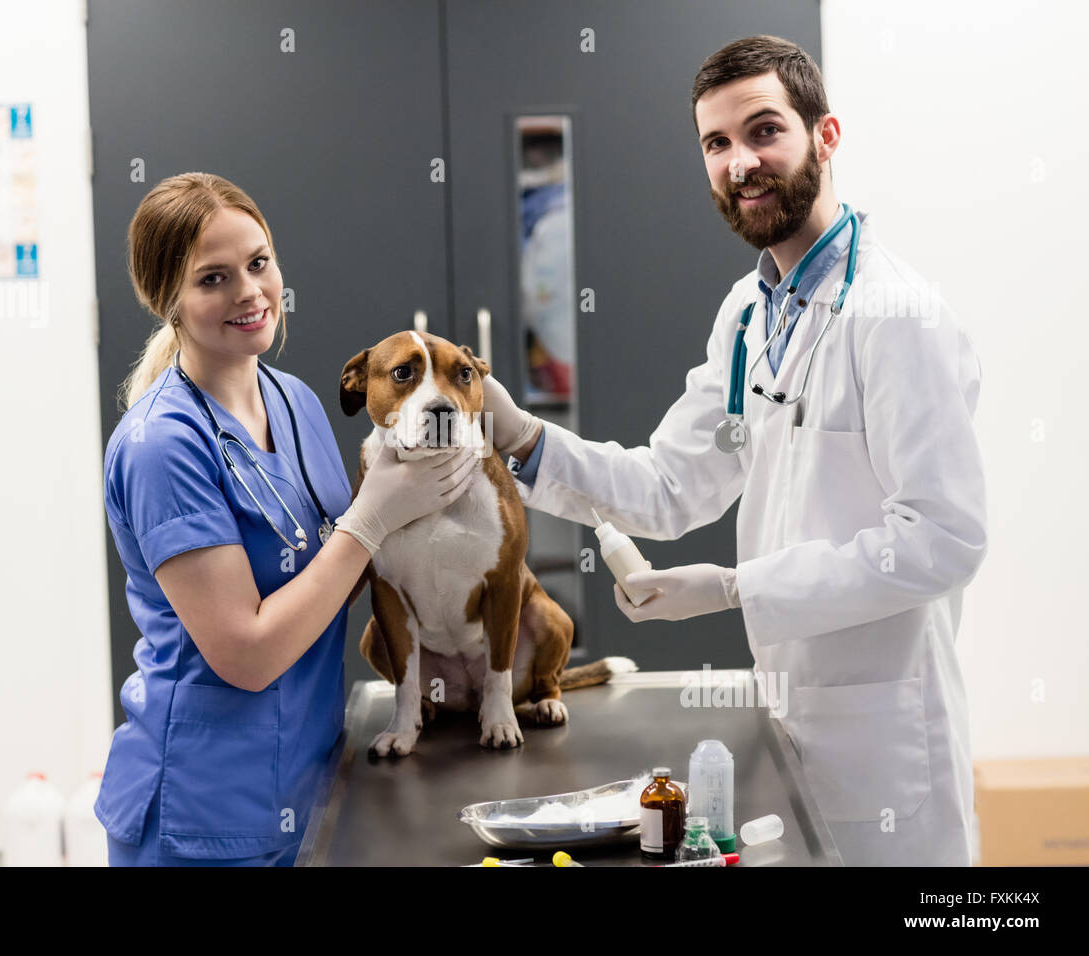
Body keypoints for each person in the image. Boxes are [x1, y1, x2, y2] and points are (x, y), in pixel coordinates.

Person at [479, 36, 987, 866]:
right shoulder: (750, 314)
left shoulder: (897, 317)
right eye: (716, 144)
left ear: (825, 136)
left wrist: (731, 588)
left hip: (886, 741)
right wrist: (526, 440)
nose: (740, 163)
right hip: (788, 715)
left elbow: (943, 541)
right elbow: (672, 483)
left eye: (763, 132)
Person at [98, 172, 479, 865]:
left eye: (258, 262)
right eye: (212, 279)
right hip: (202, 811)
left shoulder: (295, 401)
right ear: (169, 301)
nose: (249, 291)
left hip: (307, 783)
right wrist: (372, 520)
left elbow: (331, 578)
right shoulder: (163, 447)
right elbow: (246, 654)